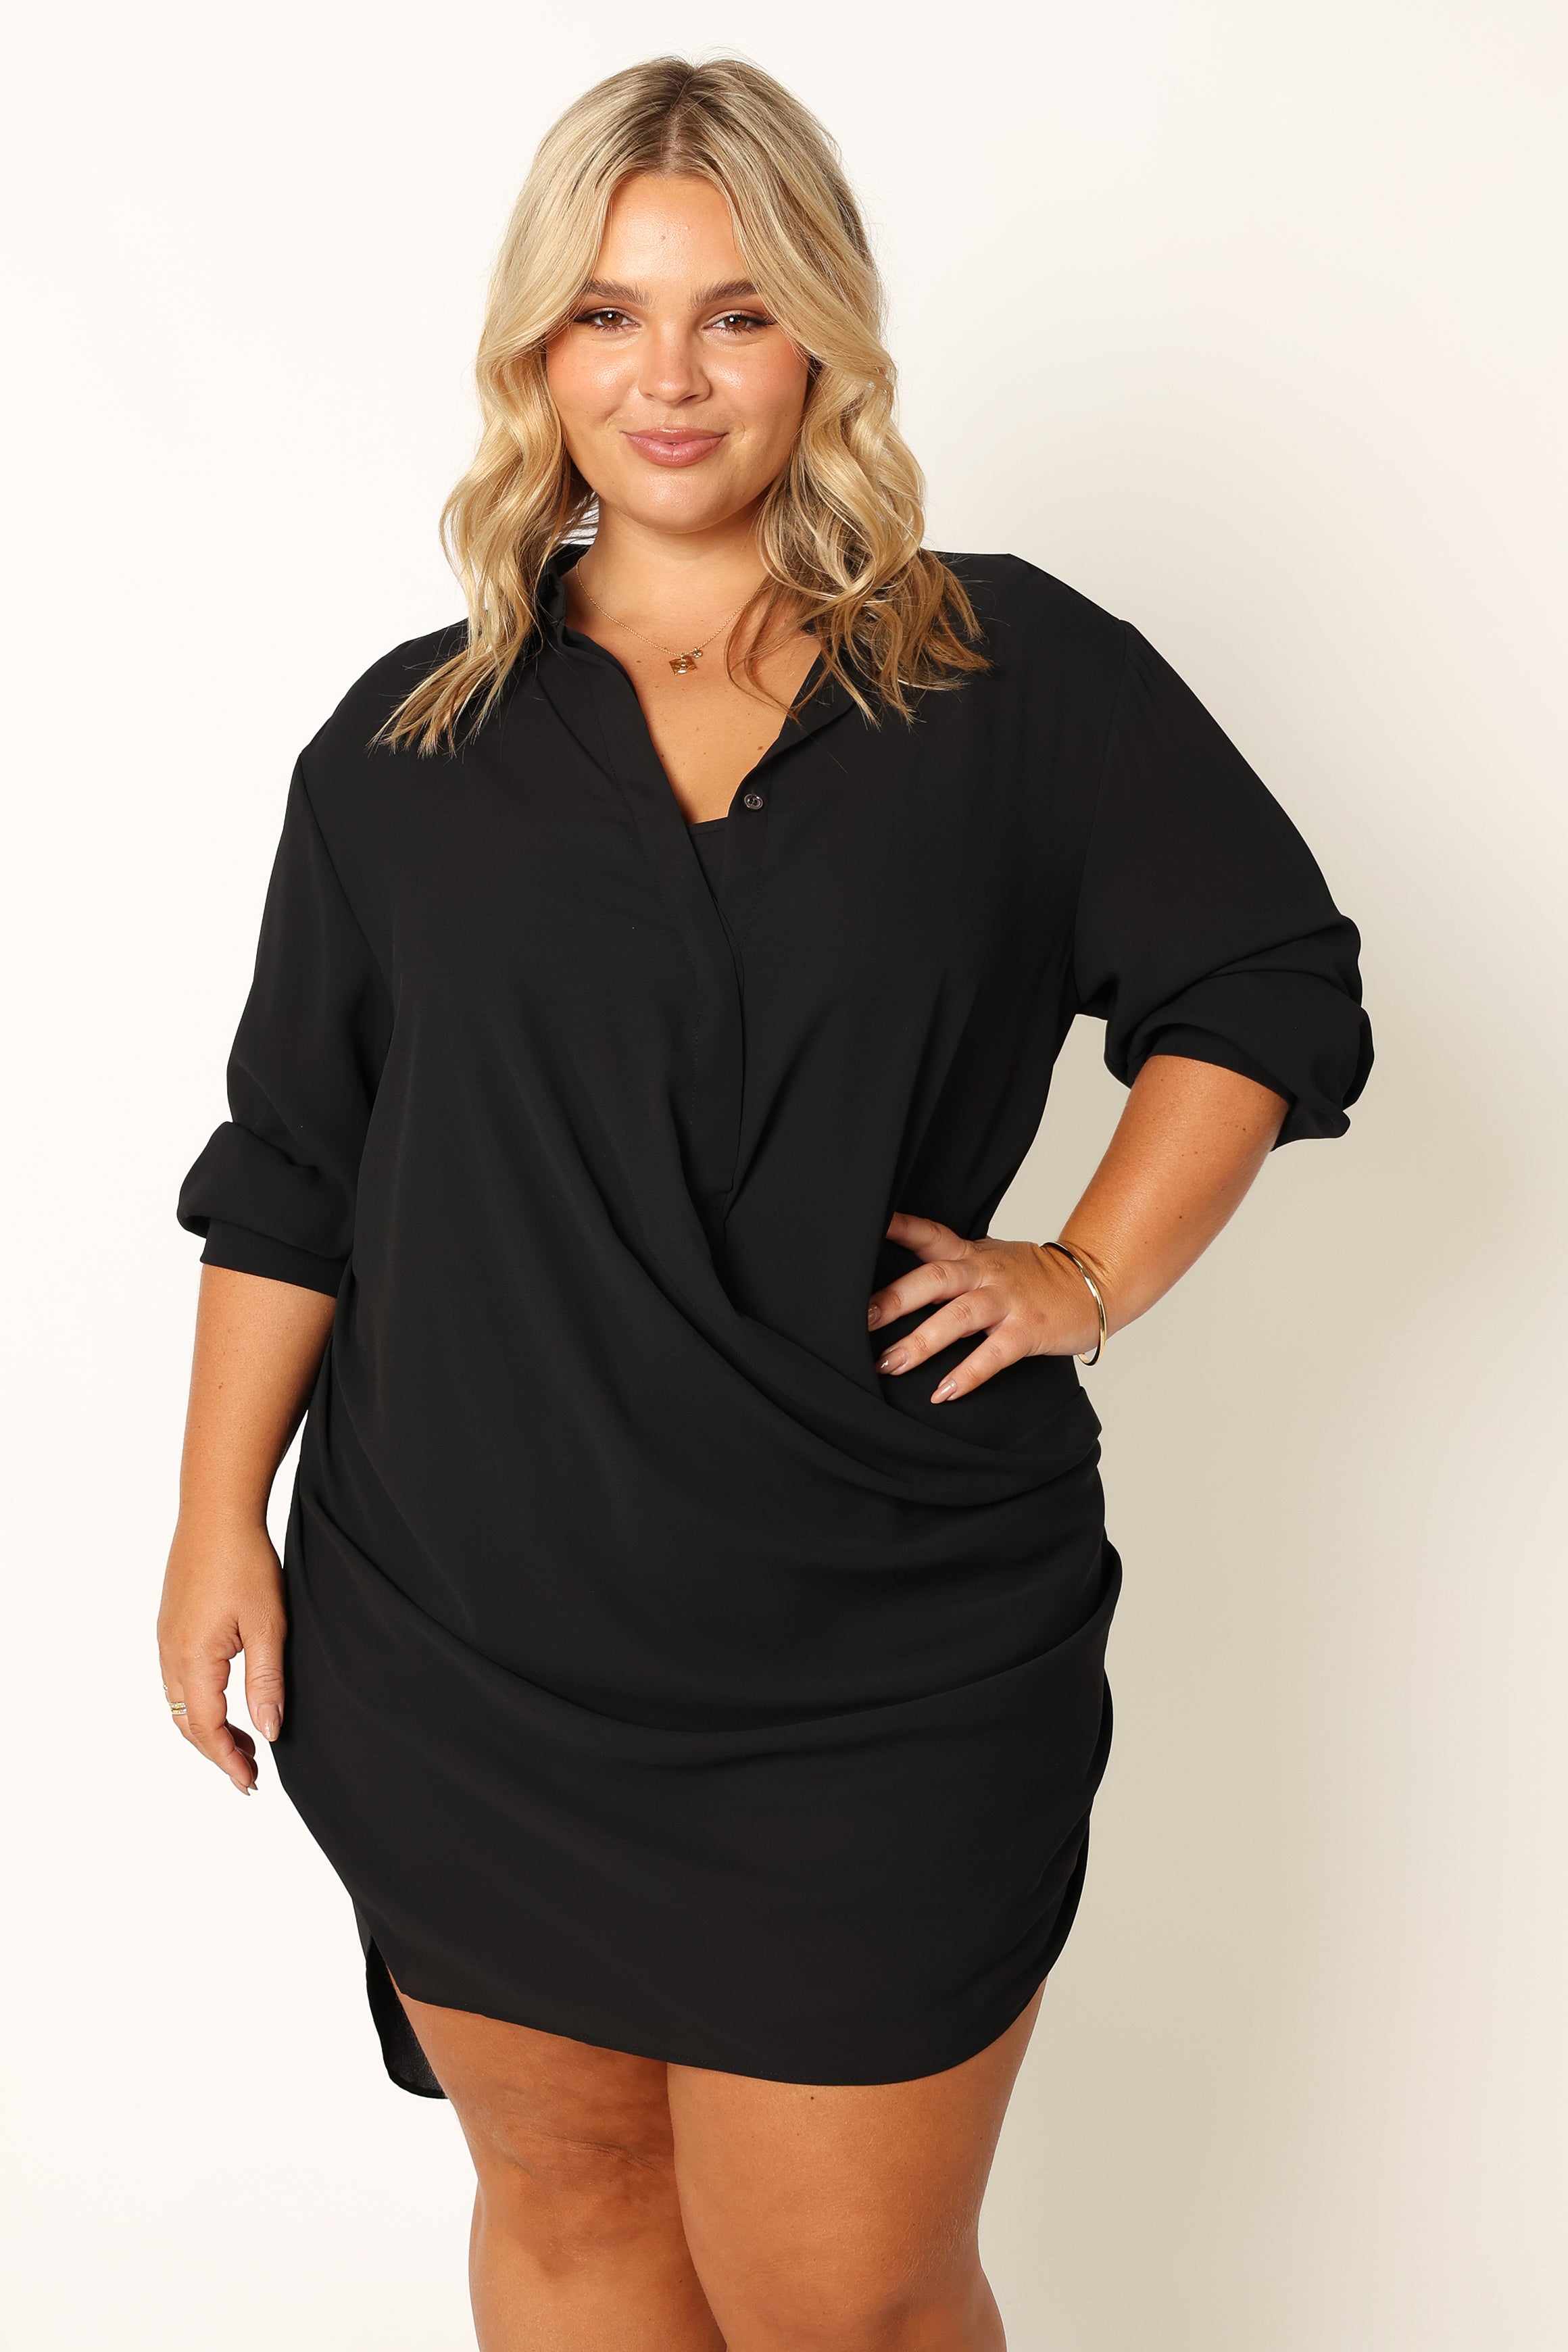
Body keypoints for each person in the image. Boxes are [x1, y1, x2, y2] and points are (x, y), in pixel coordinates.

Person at [158, 54, 1371, 2352]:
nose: (672, 376)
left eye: (734, 313)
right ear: (537, 353)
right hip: (467, 1638)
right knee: (578, 2220)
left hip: (880, 1649)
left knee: (848, 2295)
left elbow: (1266, 981)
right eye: (608, 317)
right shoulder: (409, 749)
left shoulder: (1008, 676)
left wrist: (1087, 1269)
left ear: (821, 337)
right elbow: (296, 1162)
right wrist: (219, 1517)